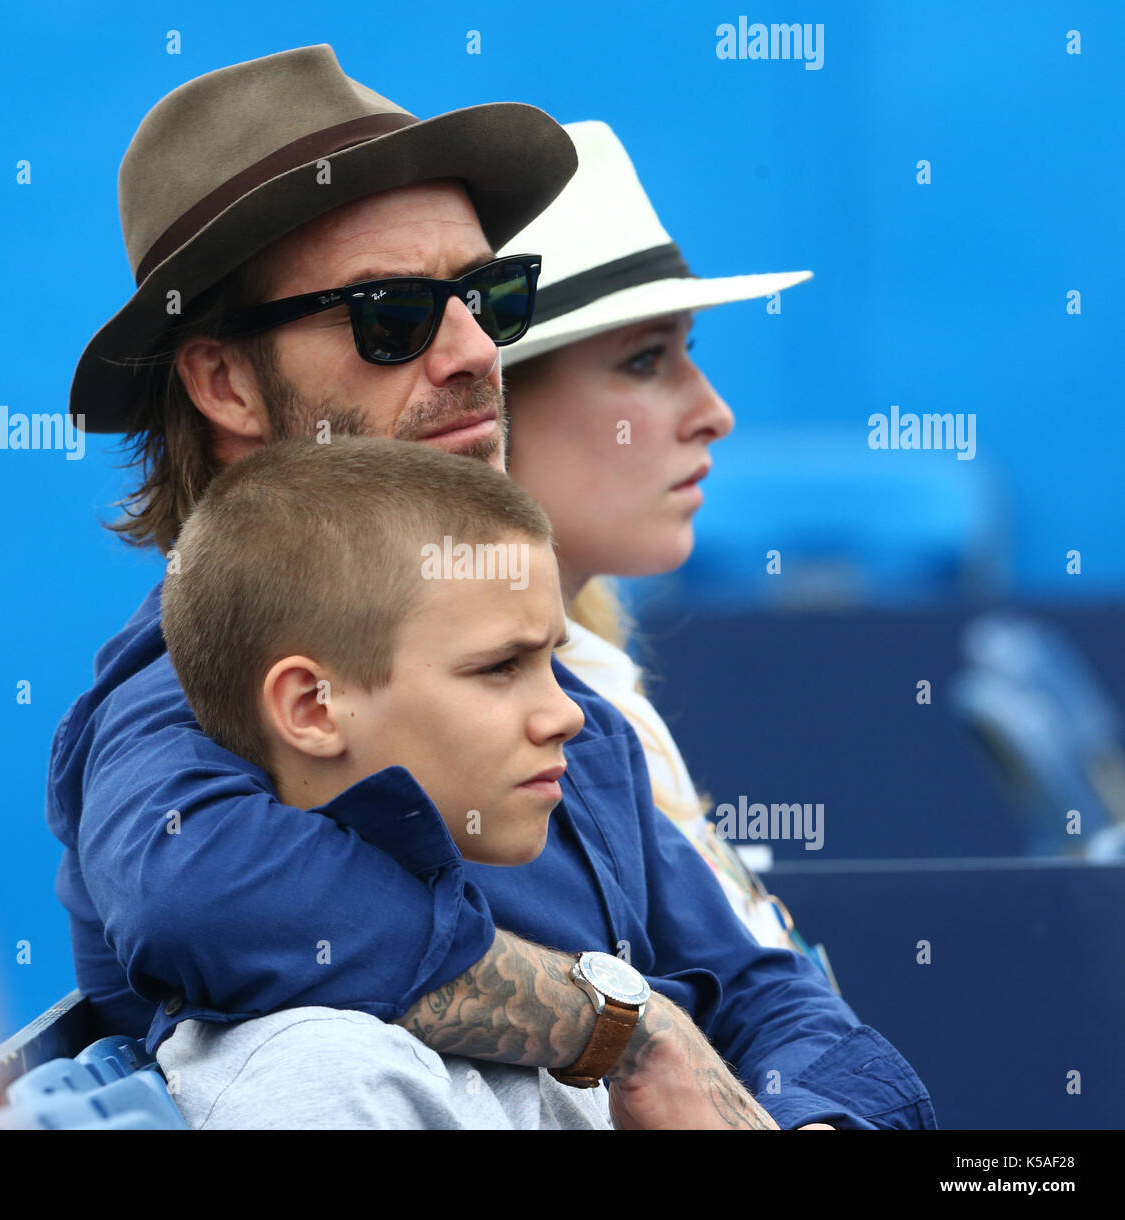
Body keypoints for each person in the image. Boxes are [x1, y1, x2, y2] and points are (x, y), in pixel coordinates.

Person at [47, 44, 935, 1130]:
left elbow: (768, 991)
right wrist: (613, 1021)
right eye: (394, 313)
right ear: (225, 380)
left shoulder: (579, 719)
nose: (474, 348)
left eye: (487, 294)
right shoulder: (191, 685)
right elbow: (199, 894)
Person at [156, 435, 621, 1127]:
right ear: (313, 708)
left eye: (553, 660)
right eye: (500, 667)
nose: (569, 714)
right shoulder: (318, 1087)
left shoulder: (511, 1002)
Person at [498, 121, 834, 976]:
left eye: (689, 351)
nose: (713, 411)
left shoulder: (599, 679)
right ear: (483, 408)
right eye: (646, 362)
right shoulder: (486, 742)